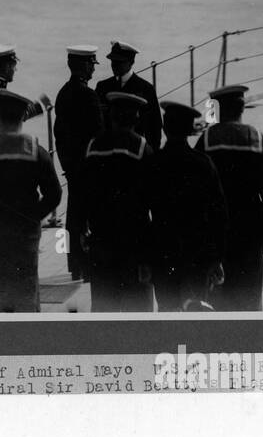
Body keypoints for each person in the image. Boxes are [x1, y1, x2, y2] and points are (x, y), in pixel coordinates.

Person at [0, 89, 63, 312]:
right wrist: (32, 218)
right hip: (23, 240)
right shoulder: (37, 151)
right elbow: (55, 194)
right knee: (24, 299)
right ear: (23, 117)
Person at [195, 85, 263, 311]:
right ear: (241, 108)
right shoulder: (256, 138)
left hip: (216, 232)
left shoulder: (207, 140)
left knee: (219, 297)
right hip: (250, 230)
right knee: (250, 294)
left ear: (219, 110)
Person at [146, 101, 227, 311]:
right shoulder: (203, 163)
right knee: (195, 313)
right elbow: (219, 213)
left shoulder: (153, 163)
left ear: (164, 129)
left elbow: (140, 212)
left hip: (163, 253)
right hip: (197, 255)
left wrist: (145, 257)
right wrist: (216, 258)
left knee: (167, 312)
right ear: (190, 130)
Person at [83, 92, 154, 311]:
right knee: (138, 310)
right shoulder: (143, 149)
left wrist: (82, 231)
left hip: (102, 240)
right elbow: (153, 199)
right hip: (134, 242)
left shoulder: (93, 146)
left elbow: (82, 193)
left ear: (111, 116)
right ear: (136, 118)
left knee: (104, 307)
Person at [53, 44, 103, 281]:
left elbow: (59, 134)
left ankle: (75, 265)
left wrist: (67, 165)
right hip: (90, 168)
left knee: (74, 216)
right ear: (84, 66)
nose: (93, 68)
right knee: (92, 216)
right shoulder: (88, 95)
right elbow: (98, 134)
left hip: (72, 167)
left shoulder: (63, 93)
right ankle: (90, 265)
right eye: (92, 63)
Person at [95, 41, 162, 150]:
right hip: (108, 150)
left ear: (131, 62)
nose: (114, 66)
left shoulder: (146, 89)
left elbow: (155, 126)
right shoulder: (103, 87)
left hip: (135, 151)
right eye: (113, 61)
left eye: (119, 62)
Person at [0, 45, 42, 139]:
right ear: (7, 67)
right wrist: (40, 106)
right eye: (14, 66)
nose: (15, 70)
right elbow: (12, 119)